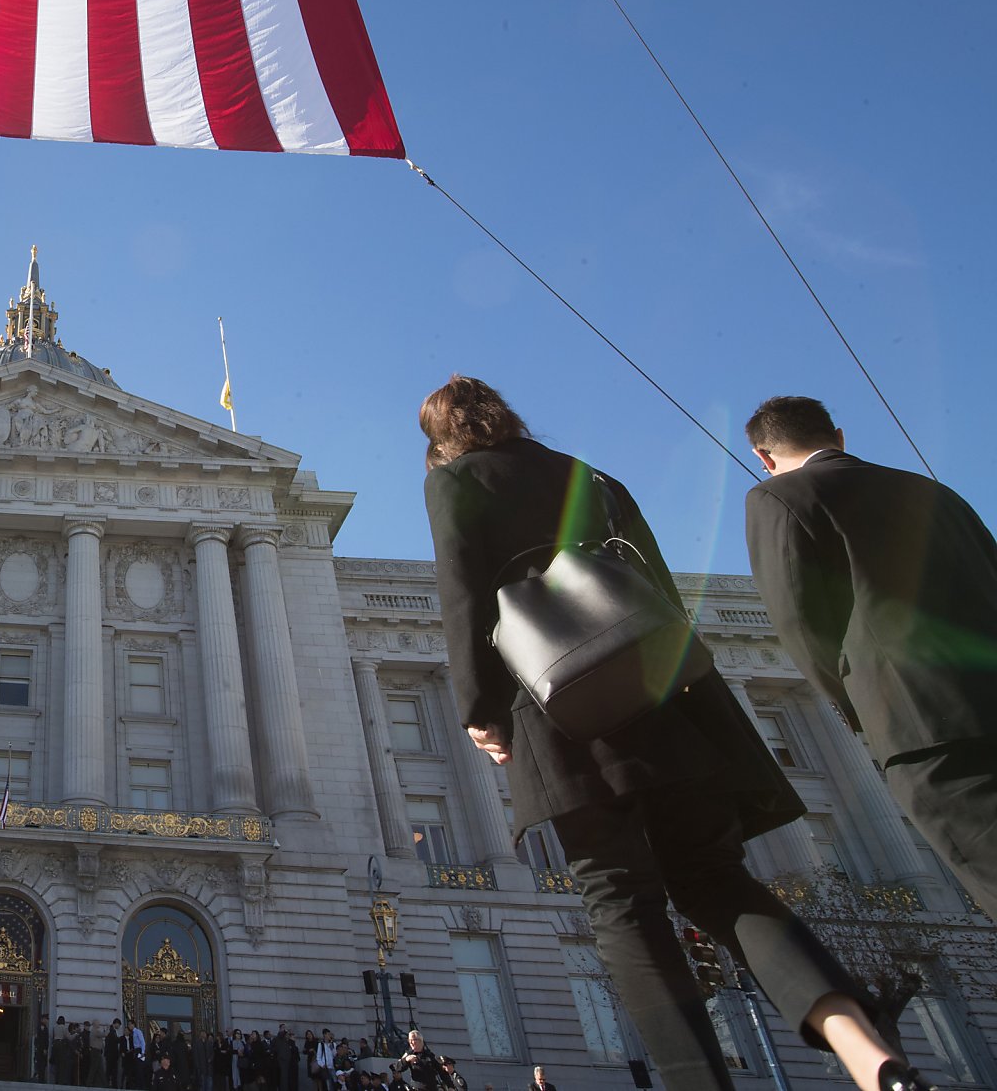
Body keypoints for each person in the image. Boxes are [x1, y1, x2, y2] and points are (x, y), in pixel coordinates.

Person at [421, 375, 929, 1091]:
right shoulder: (593, 477)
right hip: (664, 705)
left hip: (565, 708)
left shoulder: (455, 482)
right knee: (718, 881)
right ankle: (869, 1054)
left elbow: (463, 592)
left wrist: (480, 708)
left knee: (621, 901)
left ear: (440, 438)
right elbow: (656, 588)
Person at [743, 395, 997, 918]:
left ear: (764, 457)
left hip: (920, 726)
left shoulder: (779, 495)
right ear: (838, 435)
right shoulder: (933, 491)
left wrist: (856, 706)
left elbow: (800, 621)